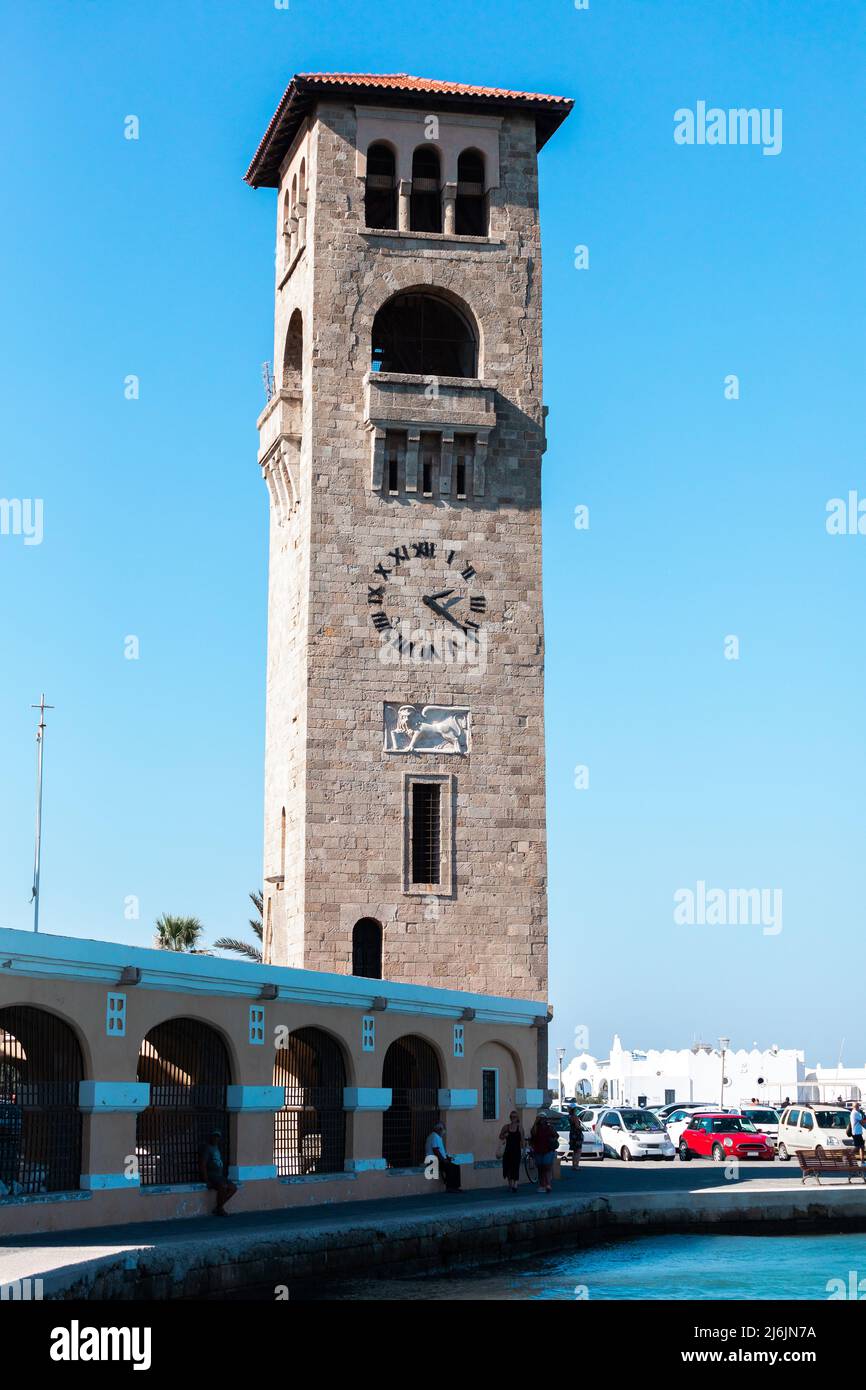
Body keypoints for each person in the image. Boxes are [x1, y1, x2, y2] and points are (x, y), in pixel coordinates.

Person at [199, 1128, 236, 1216]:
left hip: (219, 1175)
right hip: (212, 1175)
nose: (216, 1139)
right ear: (211, 1137)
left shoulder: (217, 1148)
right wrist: (206, 1180)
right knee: (223, 1186)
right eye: (214, 1137)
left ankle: (219, 1207)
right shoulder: (207, 1148)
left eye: (217, 1137)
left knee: (233, 1188)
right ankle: (220, 1209)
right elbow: (202, 1164)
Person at [425, 1122, 461, 1192]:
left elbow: (440, 1151)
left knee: (455, 1166)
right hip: (434, 1161)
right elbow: (435, 1150)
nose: (444, 1131)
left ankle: (455, 1187)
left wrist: (446, 1157)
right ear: (439, 1129)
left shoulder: (437, 1137)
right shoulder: (434, 1136)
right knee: (451, 1167)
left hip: (438, 1160)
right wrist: (443, 1160)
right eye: (443, 1129)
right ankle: (450, 1187)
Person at [529, 1110, 558, 1193]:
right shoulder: (535, 1128)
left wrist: (552, 1141)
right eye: (540, 1118)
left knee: (547, 1167)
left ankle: (547, 1184)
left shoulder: (550, 1127)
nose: (542, 1120)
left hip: (548, 1150)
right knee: (541, 1169)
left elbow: (556, 1136)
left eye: (543, 1118)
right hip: (538, 1150)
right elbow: (532, 1137)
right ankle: (542, 1185)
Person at [498, 1109, 525, 1192]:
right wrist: (505, 1135)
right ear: (510, 1118)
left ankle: (515, 1185)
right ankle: (510, 1184)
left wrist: (523, 1150)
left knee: (515, 1167)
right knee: (508, 1168)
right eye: (512, 1117)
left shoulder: (520, 1128)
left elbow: (522, 1140)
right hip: (507, 1151)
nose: (513, 1118)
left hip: (516, 1151)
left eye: (515, 1117)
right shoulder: (506, 1127)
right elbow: (500, 1136)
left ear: (517, 1118)